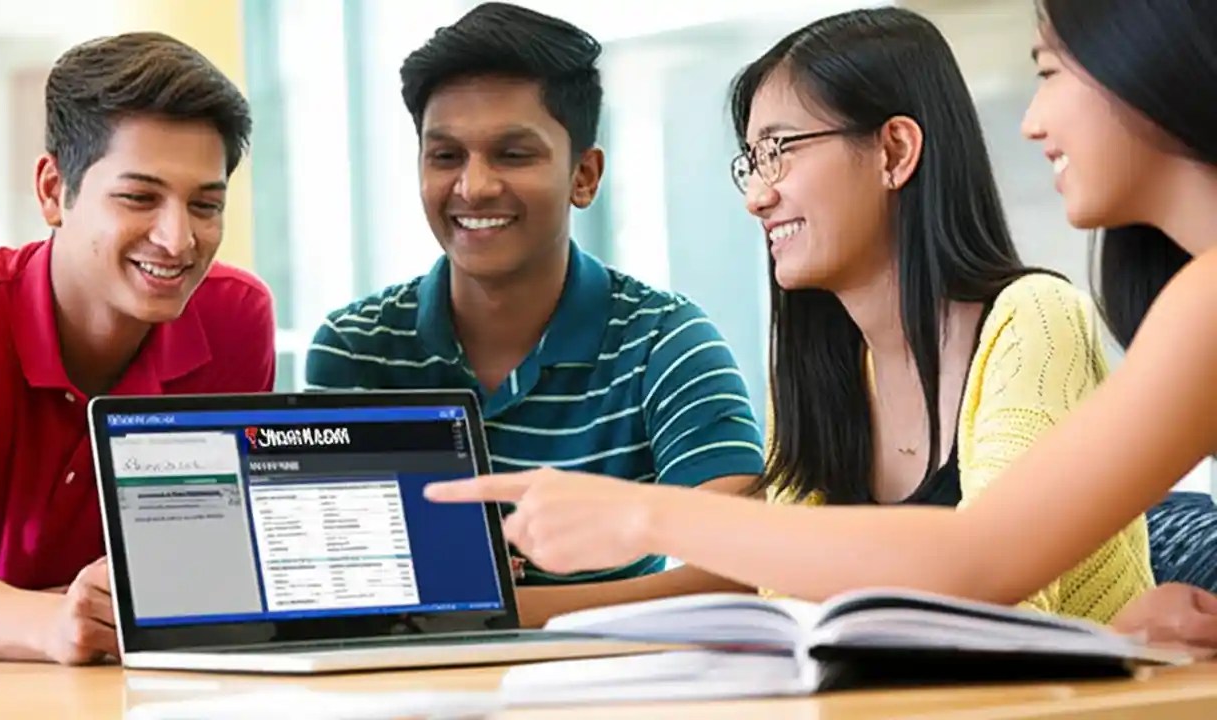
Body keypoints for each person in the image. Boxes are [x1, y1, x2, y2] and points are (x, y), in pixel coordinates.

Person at [425, 0, 1217, 646]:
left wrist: (645, 514)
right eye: (752, 160)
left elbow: (987, 571)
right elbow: (793, 612)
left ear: (894, 152)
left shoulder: (1042, 315)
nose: (756, 195)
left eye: (782, 152)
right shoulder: (823, 364)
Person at [306, 2, 764, 627]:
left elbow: (735, 570)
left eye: (513, 154)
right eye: (445, 156)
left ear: (584, 175)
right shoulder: (357, 348)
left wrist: (492, 613)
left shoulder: (666, 342)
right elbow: (340, 580)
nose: (474, 186)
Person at [0, 32, 275, 665]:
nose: (178, 240)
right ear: (51, 191)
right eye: (139, 197)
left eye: (205, 205)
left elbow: (199, 573)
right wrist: (54, 622)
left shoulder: (234, 316)